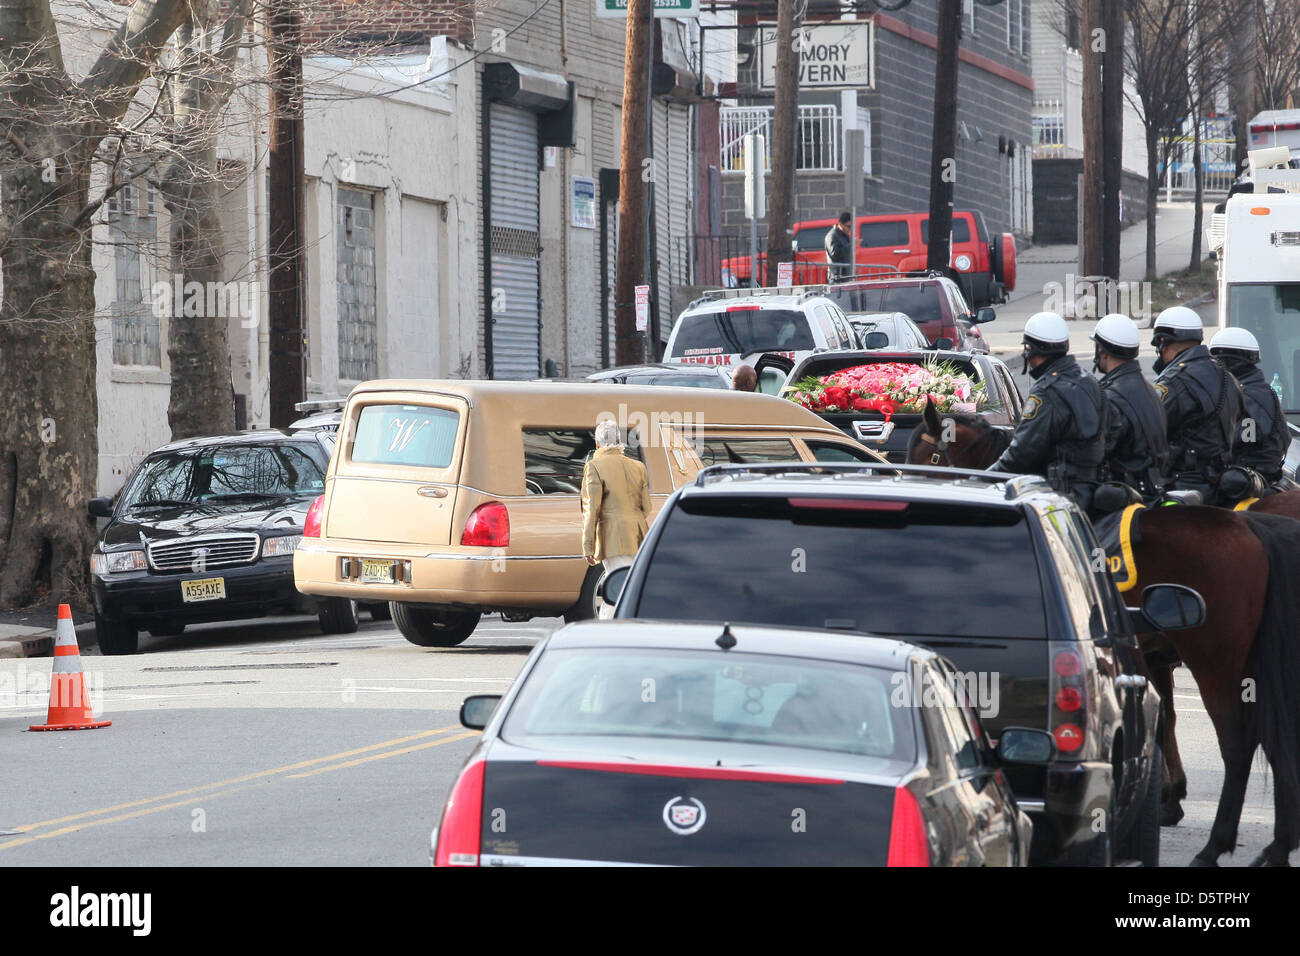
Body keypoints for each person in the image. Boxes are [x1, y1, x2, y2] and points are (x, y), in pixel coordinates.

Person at [988, 312, 1107, 513]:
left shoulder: (1046, 392)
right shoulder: (1090, 382)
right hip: (1095, 488)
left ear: (1034, 350)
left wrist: (982, 478)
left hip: (1060, 495)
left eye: (1027, 349)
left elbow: (1021, 454)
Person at [1151, 306, 1244, 504]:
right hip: (1221, 484)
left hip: (1179, 486)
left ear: (1162, 341)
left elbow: (1150, 431)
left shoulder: (1173, 382)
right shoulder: (1229, 378)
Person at [1091, 313, 1168, 501]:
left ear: (1102, 350)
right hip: (1153, 488)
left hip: (1124, 494)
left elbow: (1098, 452)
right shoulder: (1150, 389)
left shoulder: (1111, 397)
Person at [1209, 326, 1289, 496]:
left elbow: (1244, 439)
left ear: (1228, 362)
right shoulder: (1260, 390)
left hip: (1248, 477)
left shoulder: (1248, 396)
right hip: (1260, 473)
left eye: (1217, 362)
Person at [581, 420, 651, 581]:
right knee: (633, 584)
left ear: (597, 444)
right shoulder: (639, 466)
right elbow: (646, 507)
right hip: (639, 535)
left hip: (611, 537)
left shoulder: (594, 466)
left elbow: (592, 509)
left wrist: (588, 546)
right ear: (619, 441)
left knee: (618, 587)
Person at [824, 211, 854, 282]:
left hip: (845, 275)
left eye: (851, 226)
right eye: (848, 226)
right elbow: (834, 254)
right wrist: (851, 245)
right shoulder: (831, 236)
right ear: (840, 224)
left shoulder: (844, 235)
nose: (849, 229)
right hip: (836, 277)